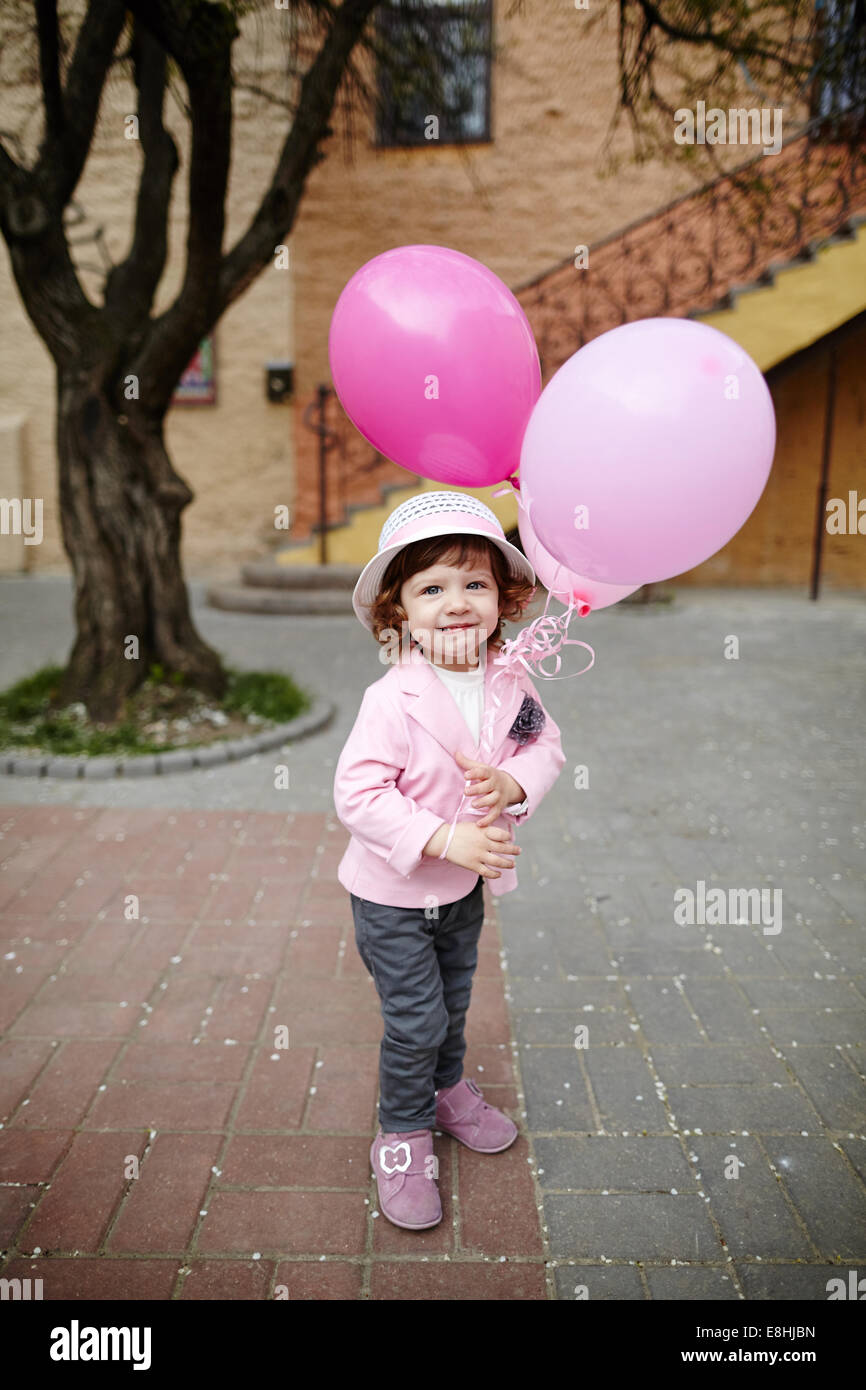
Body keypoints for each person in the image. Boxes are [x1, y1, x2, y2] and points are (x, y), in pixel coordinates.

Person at [333, 491, 566, 1230]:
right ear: (399, 610)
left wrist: (514, 783)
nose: (456, 602)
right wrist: (442, 837)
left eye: (475, 584)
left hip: (463, 888)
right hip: (393, 894)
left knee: (454, 999)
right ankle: (400, 1135)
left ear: (504, 597)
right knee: (415, 1017)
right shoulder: (392, 697)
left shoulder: (510, 679)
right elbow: (358, 793)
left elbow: (543, 746)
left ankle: (446, 1089)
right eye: (432, 588)